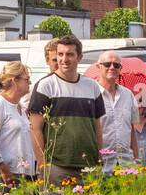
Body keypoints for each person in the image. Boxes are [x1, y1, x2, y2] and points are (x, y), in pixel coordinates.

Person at [29, 34, 104, 182]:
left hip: (89, 166)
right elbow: (35, 128)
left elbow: (98, 128)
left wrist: (100, 159)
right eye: (60, 54)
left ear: (79, 57)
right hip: (57, 166)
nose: (64, 59)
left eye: (70, 54)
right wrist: (43, 166)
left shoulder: (92, 87)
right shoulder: (45, 86)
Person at [0, 60, 37, 184]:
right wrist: (3, 168)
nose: (30, 83)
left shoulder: (20, 106)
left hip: (25, 173)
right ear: (15, 80)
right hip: (8, 174)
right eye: (27, 79)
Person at [93, 51, 139, 169]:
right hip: (100, 164)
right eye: (107, 64)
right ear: (99, 66)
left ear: (120, 69)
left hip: (126, 164)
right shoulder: (91, 94)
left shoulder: (128, 94)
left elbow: (132, 130)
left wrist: (137, 160)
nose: (112, 68)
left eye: (116, 65)